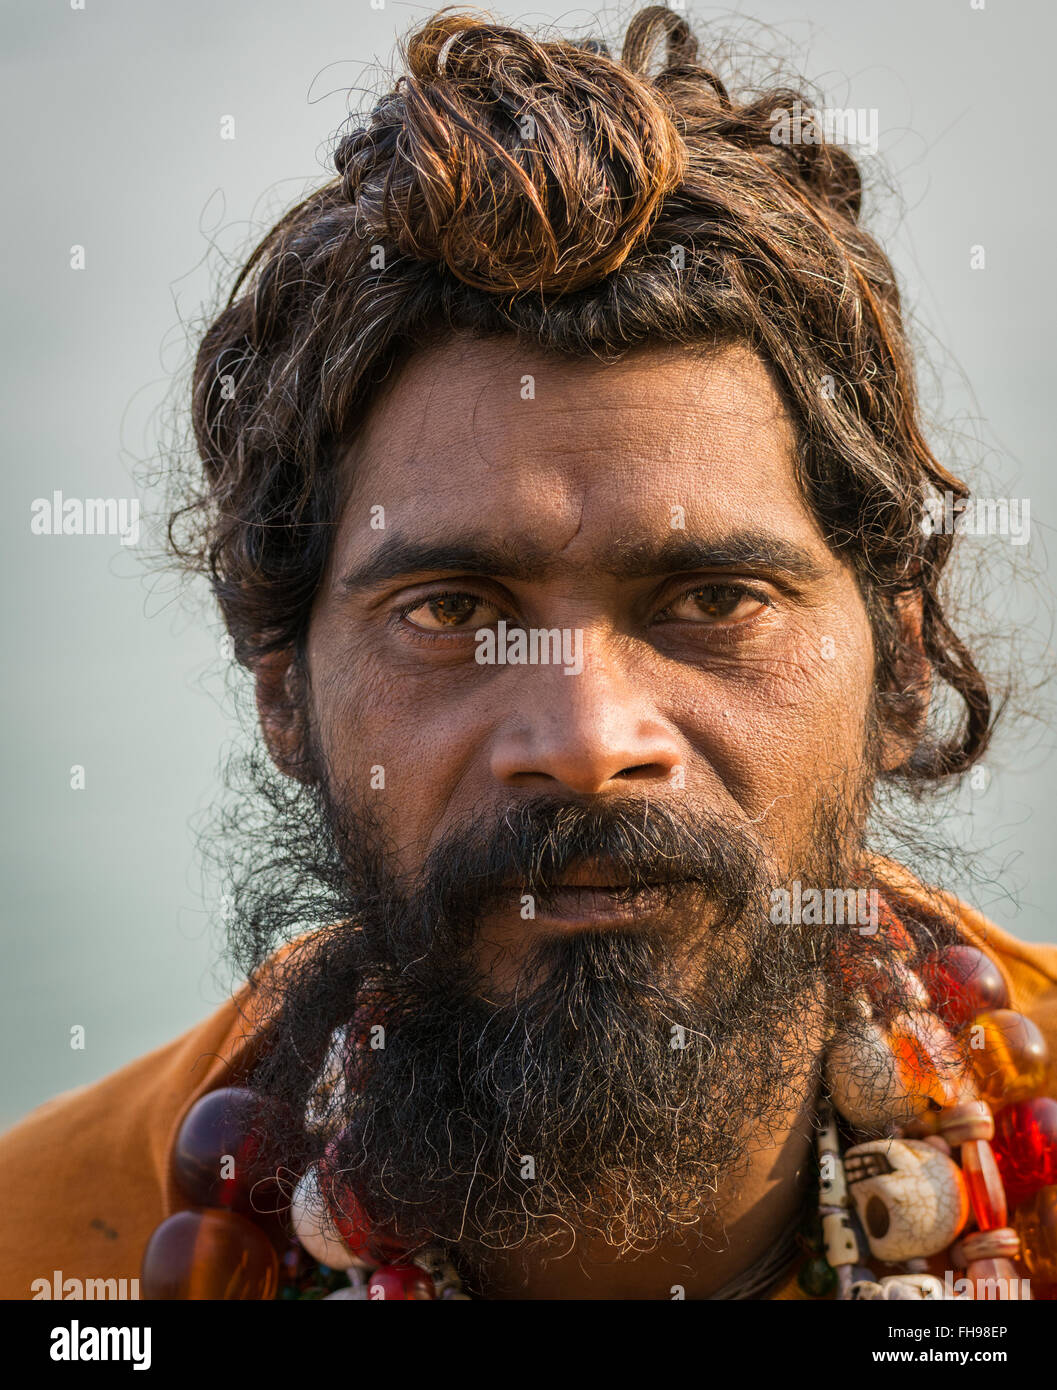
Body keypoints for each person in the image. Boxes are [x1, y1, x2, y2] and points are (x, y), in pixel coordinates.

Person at [3, 5, 1055, 1302]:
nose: (583, 736)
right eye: (447, 610)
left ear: (898, 667)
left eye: (712, 597)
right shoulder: (42, 1247)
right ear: (285, 690)